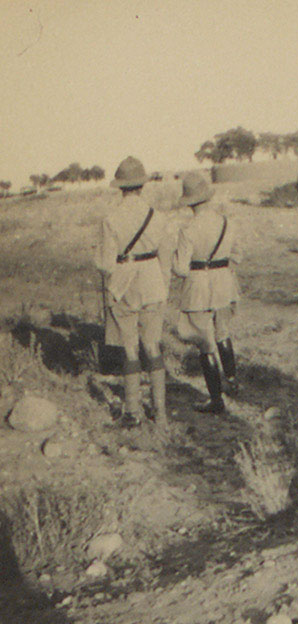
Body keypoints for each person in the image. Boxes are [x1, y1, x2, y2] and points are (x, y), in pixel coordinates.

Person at [95, 156, 173, 428]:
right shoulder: (159, 217)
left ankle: (133, 412)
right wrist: (163, 286)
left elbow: (105, 264)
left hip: (124, 283)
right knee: (152, 345)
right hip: (153, 282)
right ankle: (161, 413)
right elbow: (166, 259)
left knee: (130, 349)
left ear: (120, 187)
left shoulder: (111, 219)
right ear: (142, 185)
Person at [172, 172, 241, 413]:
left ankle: (216, 400)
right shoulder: (226, 222)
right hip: (224, 283)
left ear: (189, 201)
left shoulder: (188, 228)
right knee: (223, 332)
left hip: (199, 285)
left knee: (205, 343)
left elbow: (181, 269)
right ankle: (232, 381)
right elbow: (237, 255)